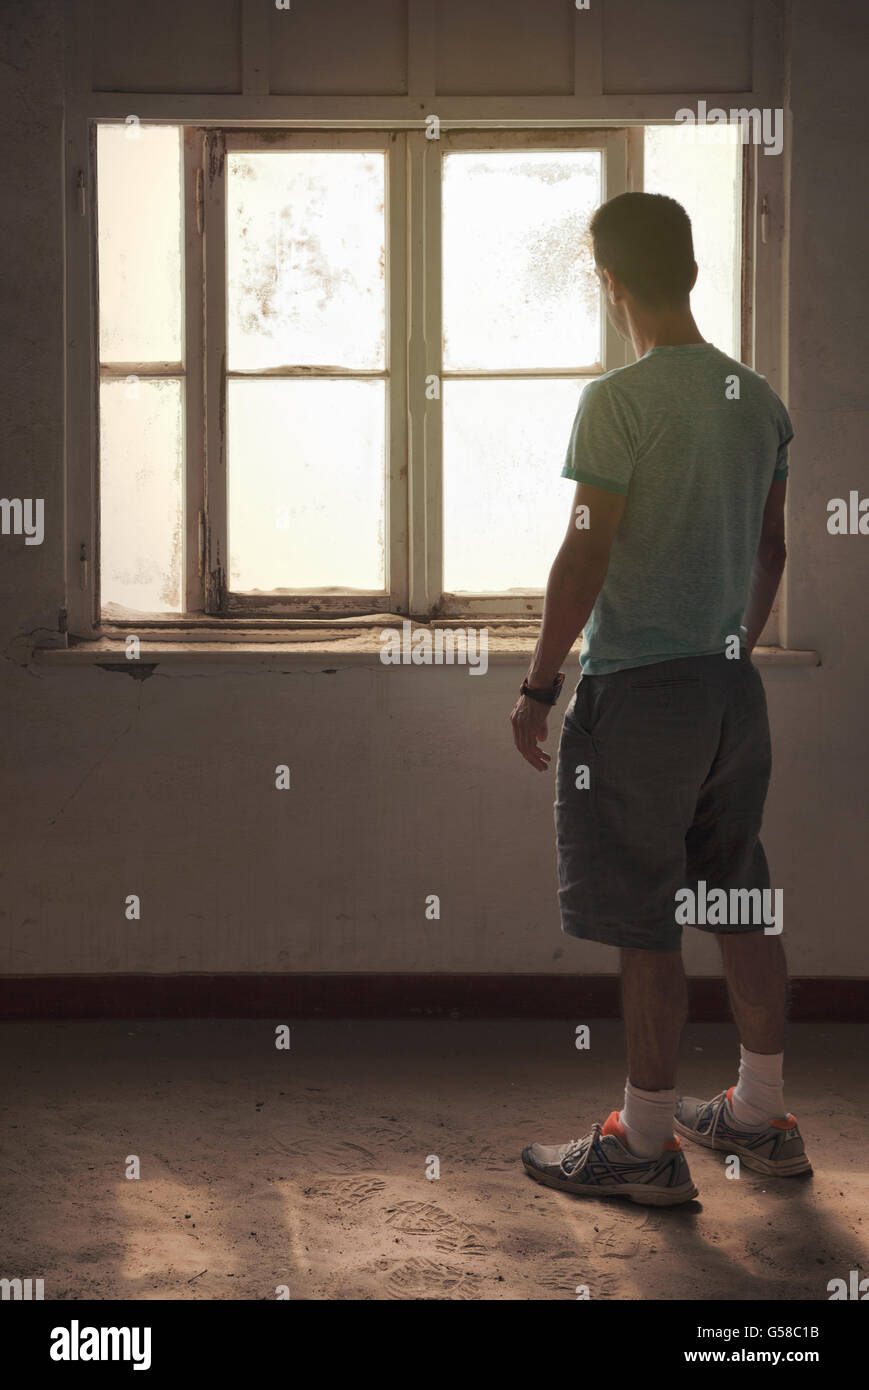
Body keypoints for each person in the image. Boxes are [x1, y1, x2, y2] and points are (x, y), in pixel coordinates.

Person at [510, 192, 810, 1206]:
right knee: (733, 895)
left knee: (646, 920)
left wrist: (537, 684)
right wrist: (728, 633)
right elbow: (770, 547)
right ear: (686, 268)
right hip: (730, 688)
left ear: (610, 280)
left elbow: (585, 549)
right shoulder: (754, 397)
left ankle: (641, 1142)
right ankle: (760, 1116)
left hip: (641, 691)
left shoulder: (618, 400)